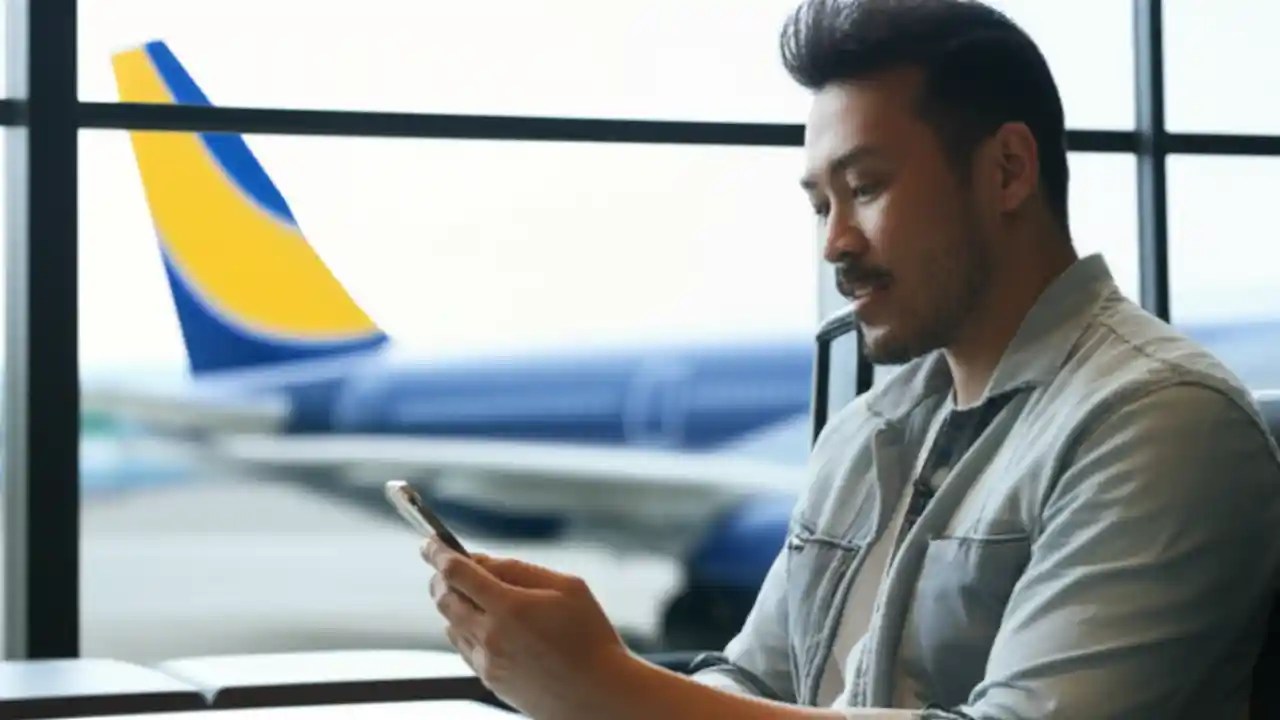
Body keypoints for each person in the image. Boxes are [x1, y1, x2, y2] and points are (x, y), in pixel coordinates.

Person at [419, 0, 1280, 717]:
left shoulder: (1163, 422)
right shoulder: (870, 429)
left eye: (865, 188)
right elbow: (754, 684)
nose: (835, 243)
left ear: (1010, 170)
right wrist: (583, 677)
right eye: (821, 202)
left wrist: (614, 689)